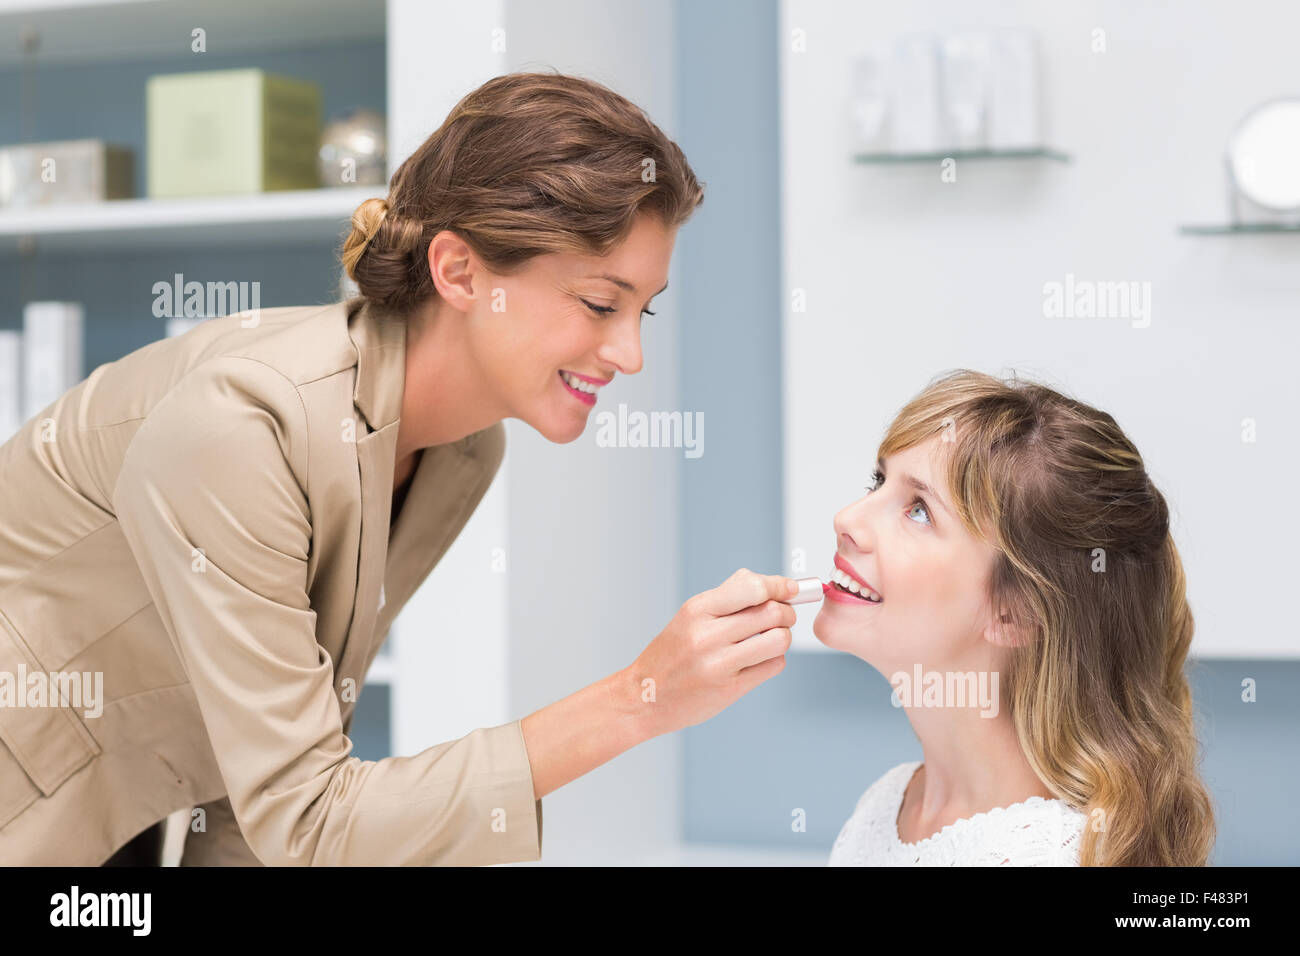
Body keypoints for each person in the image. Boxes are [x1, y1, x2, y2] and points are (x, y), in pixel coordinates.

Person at [0, 70, 799, 866]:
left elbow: (280, 789)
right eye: (599, 304)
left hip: (128, 807)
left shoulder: (462, 446)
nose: (630, 355)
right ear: (458, 273)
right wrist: (640, 697)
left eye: (643, 310)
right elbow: (311, 820)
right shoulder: (247, 427)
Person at [818, 370, 1216, 866]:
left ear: (1016, 613)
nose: (848, 519)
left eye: (919, 510)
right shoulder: (888, 801)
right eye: (878, 481)